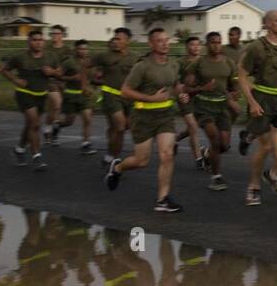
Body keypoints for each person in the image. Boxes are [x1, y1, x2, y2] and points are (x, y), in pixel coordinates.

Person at [104, 27, 183, 212]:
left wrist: (181, 93)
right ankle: (117, 168)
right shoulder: (142, 66)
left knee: (167, 154)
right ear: (151, 44)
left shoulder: (173, 64)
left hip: (166, 116)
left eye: (166, 40)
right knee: (141, 161)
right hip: (143, 117)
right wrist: (151, 98)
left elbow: (175, 85)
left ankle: (162, 200)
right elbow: (125, 91)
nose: (164, 43)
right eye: (159, 41)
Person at [236, 9, 277, 206]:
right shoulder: (256, 48)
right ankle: (253, 187)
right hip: (262, 98)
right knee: (267, 146)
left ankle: (273, 173)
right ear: (268, 24)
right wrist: (252, 102)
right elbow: (242, 75)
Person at [2, 29, 61, 170]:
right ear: (29, 42)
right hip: (24, 93)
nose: (38, 43)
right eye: (34, 40)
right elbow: (5, 69)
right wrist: (16, 80)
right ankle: (37, 156)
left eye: (40, 40)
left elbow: (59, 72)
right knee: (35, 124)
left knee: (30, 125)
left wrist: (52, 72)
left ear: (44, 42)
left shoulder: (51, 57)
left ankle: (19, 149)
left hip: (41, 94)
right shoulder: (20, 57)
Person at [184, 31, 235, 191]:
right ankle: (216, 177)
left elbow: (235, 83)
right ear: (207, 44)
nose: (216, 45)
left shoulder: (228, 62)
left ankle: (207, 155)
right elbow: (186, 87)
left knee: (224, 145)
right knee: (214, 139)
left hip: (222, 107)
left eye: (219, 42)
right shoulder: (198, 64)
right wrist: (202, 88)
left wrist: (234, 95)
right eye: (213, 42)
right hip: (204, 107)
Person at [91, 27, 139, 164]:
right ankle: (115, 158)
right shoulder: (105, 56)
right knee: (120, 126)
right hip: (110, 95)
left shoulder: (135, 57)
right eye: (115, 38)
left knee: (122, 128)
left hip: (129, 97)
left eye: (119, 39)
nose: (115, 41)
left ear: (127, 41)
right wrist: (84, 85)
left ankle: (112, 153)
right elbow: (85, 66)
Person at [56, 39, 96, 154]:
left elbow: (92, 78)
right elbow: (58, 76)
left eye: (85, 49)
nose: (83, 51)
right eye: (81, 49)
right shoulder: (69, 62)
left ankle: (86, 144)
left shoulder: (90, 62)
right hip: (71, 95)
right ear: (75, 49)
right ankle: (57, 127)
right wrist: (71, 78)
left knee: (87, 119)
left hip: (85, 96)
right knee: (69, 121)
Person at [174, 35, 206, 167]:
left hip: (200, 98)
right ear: (187, 47)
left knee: (194, 127)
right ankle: (199, 158)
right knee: (193, 126)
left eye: (198, 44)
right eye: (193, 44)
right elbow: (174, 82)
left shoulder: (204, 61)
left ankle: (175, 139)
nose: (196, 47)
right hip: (185, 97)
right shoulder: (180, 62)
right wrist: (181, 94)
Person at [43, 24, 68, 145]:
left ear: (62, 35)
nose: (54, 36)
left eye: (57, 34)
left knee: (54, 109)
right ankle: (53, 131)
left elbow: (70, 67)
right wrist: (54, 72)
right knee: (57, 104)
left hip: (63, 81)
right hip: (50, 81)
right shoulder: (47, 49)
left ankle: (49, 128)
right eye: (52, 34)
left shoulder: (67, 51)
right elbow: (45, 67)